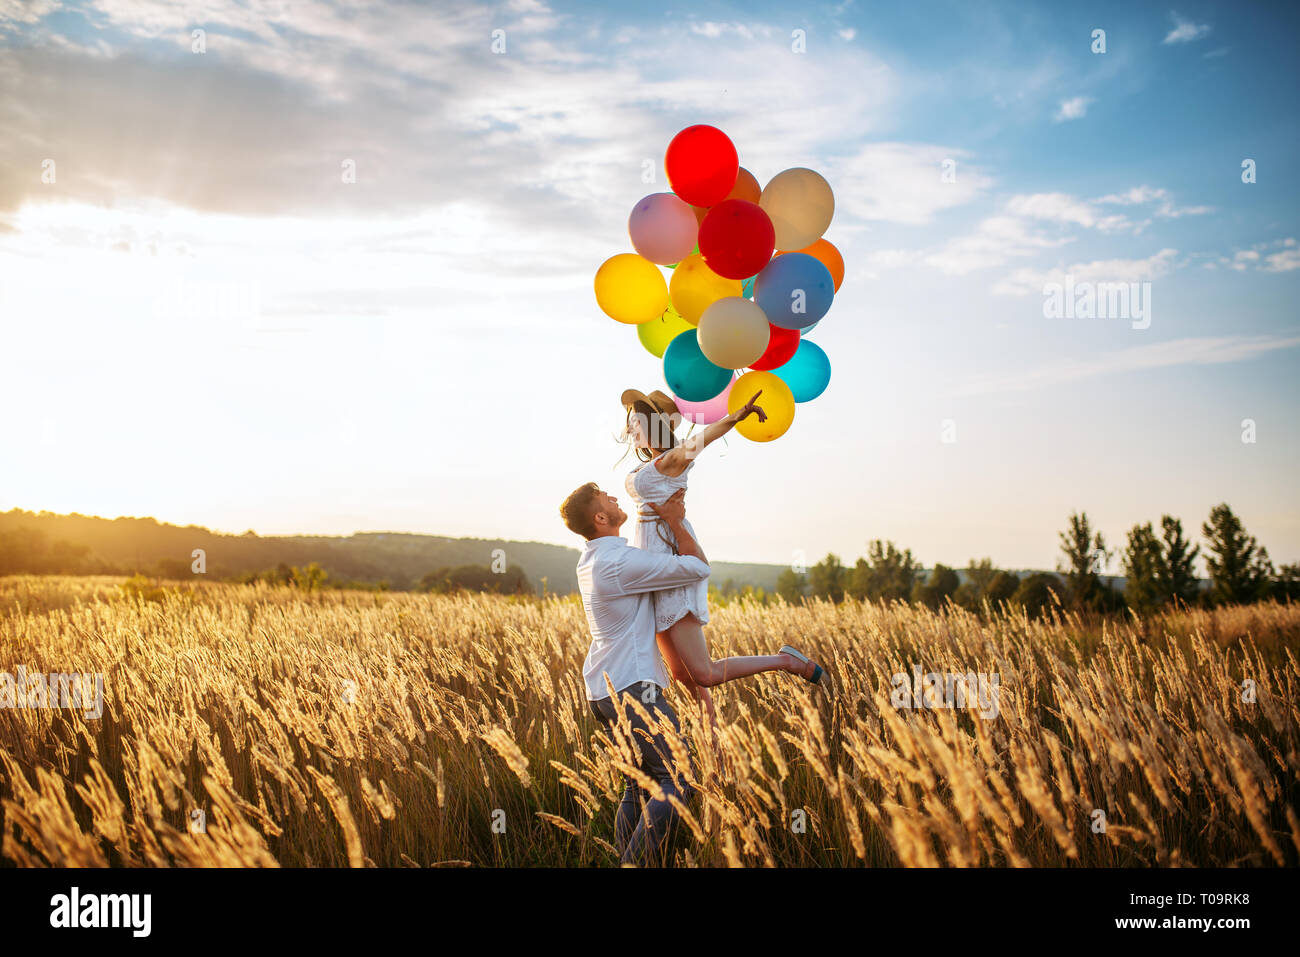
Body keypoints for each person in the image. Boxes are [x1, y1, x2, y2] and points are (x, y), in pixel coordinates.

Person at [617, 386, 827, 728]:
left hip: (671, 567)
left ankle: (787, 662)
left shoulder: (671, 460)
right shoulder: (652, 465)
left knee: (705, 673)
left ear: (652, 423)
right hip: (651, 576)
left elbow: (702, 439)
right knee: (686, 679)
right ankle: (715, 758)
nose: (629, 430)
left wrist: (735, 417)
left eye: (634, 422)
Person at [559, 481, 709, 866]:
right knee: (679, 779)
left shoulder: (592, 560)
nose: (614, 497)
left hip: (603, 690)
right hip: (632, 688)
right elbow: (696, 568)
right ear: (600, 517)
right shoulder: (618, 562)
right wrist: (676, 522)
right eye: (607, 499)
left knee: (638, 787)